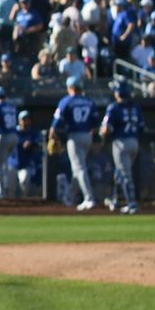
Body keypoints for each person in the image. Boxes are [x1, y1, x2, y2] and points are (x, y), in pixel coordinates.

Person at [50, 79, 98, 210]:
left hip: (75, 136)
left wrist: (52, 134)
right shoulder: (89, 101)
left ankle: (89, 198)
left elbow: (57, 122)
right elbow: (95, 124)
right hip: (87, 136)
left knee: (80, 168)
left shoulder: (67, 101)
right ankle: (69, 197)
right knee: (77, 168)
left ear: (70, 87)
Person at [100, 80, 145, 214]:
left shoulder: (114, 107)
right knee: (119, 172)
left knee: (125, 175)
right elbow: (142, 127)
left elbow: (106, 129)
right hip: (134, 142)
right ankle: (115, 199)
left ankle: (132, 203)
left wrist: (102, 133)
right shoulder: (136, 107)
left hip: (121, 143)